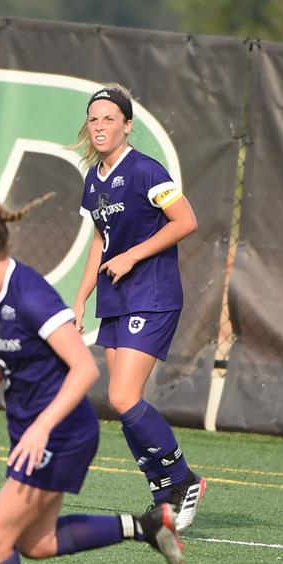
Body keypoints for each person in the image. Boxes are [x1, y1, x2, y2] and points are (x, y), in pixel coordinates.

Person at [0, 195, 186, 564]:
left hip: (60, 432)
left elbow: (84, 369)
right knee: (38, 542)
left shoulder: (30, 294)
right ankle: (147, 526)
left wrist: (41, 427)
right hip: (39, 430)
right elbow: (1, 352)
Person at [73, 83, 206, 531]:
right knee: (123, 402)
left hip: (151, 294)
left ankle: (184, 479)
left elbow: (185, 221)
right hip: (115, 298)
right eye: (94, 118)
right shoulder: (94, 178)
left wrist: (133, 255)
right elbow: (98, 239)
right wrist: (80, 297)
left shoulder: (146, 170)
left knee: (123, 397)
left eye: (110, 118)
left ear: (127, 127)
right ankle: (162, 490)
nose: (100, 126)